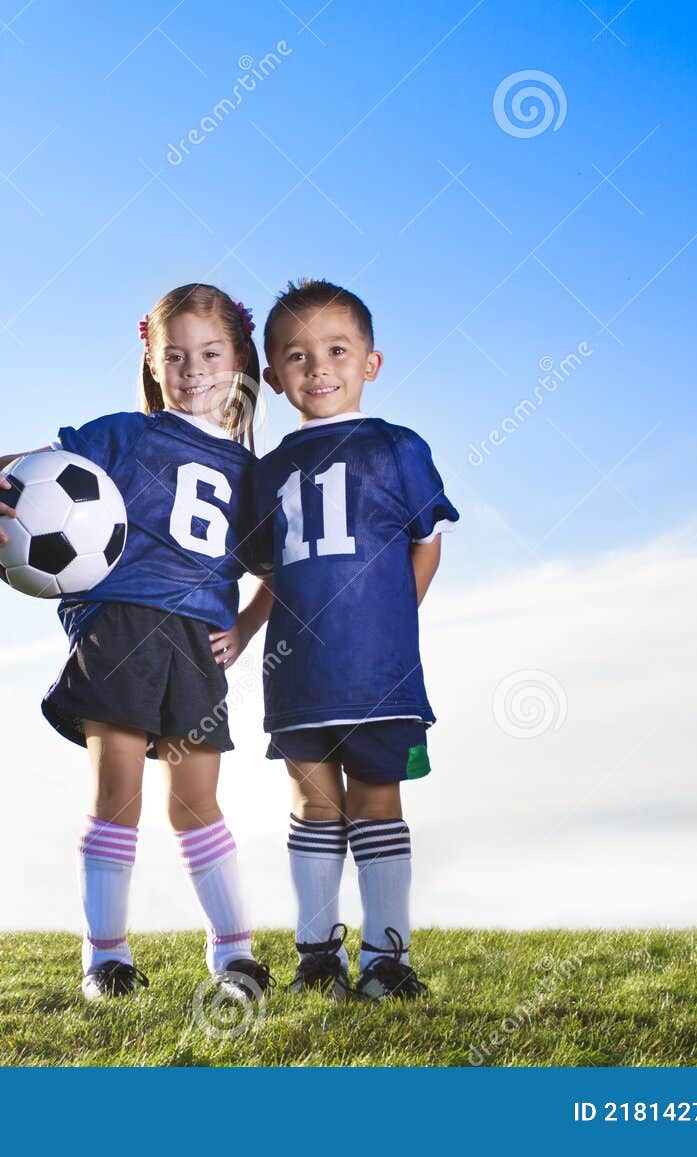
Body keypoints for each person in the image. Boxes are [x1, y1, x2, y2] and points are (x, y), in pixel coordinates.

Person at [0, 284, 272, 1002]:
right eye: (175, 355)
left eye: (211, 353)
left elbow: (278, 571)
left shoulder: (250, 474)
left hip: (198, 639)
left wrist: (248, 627)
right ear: (151, 359)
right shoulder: (119, 435)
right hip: (118, 627)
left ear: (238, 360)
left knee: (197, 799)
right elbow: (16, 473)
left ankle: (235, 953)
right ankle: (105, 956)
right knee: (118, 790)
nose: (193, 369)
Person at [239, 278, 459, 1001]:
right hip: (299, 677)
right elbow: (272, 573)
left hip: (380, 676)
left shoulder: (398, 449)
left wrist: (395, 615)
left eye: (337, 349)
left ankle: (384, 959)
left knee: (377, 802)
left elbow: (425, 544)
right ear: (273, 375)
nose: (319, 367)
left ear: (372, 361)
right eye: (297, 356)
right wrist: (243, 630)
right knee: (312, 809)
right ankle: (315, 956)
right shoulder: (266, 472)